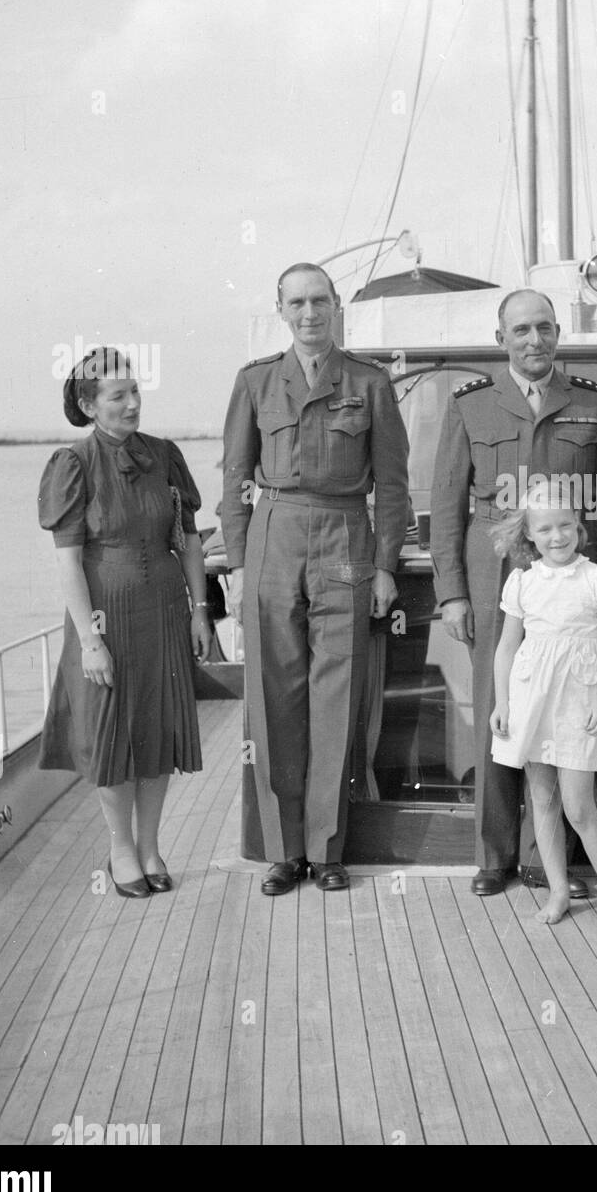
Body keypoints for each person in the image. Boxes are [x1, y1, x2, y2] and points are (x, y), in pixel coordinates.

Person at [431, 288, 597, 898]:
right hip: (495, 573)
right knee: (502, 704)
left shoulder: (591, 405)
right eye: (521, 330)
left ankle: (553, 861)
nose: (534, 340)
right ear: (501, 340)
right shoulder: (471, 405)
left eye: (544, 328)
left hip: (572, 577)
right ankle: (493, 854)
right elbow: (445, 506)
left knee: (571, 705)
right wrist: (453, 593)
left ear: (558, 333)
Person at [222, 262, 410, 896]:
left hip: (343, 534)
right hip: (274, 534)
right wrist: (243, 569)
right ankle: (284, 852)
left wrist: (385, 565)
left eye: (320, 301)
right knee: (275, 695)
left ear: (337, 307)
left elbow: (393, 485)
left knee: (338, 693)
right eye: (297, 303)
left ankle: (327, 849)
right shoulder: (253, 383)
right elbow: (233, 484)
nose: (310, 313)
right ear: (282, 311)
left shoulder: (369, 382)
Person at [39, 347, 212, 898]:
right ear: (90, 405)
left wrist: (200, 610)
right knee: (113, 734)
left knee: (157, 727)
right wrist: (90, 641)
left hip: (164, 609)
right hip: (105, 617)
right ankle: (120, 850)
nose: (133, 403)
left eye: (136, 392)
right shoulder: (74, 463)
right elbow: (68, 560)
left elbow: (187, 542)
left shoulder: (165, 455)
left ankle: (151, 846)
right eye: (119, 396)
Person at [489, 500, 597, 927]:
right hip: (533, 701)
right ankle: (557, 893)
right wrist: (503, 701)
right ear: (530, 535)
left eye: (565, 526)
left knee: (578, 806)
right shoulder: (522, 582)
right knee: (543, 801)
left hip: (582, 702)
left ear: (578, 526)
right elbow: (506, 648)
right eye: (546, 529)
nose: (558, 537)